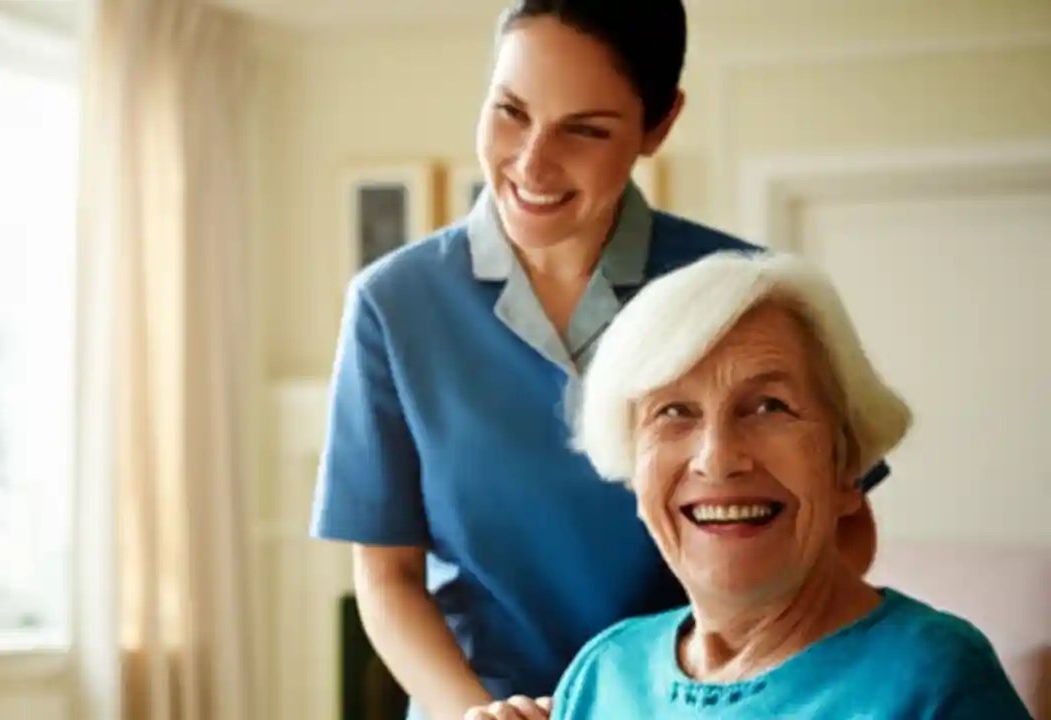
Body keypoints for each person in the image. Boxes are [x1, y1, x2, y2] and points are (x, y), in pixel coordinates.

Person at [309, 2, 890, 719]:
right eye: (511, 112)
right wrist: (478, 715)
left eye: (584, 129)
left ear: (660, 124)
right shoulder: (393, 305)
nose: (531, 162)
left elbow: (843, 528)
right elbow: (387, 579)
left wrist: (720, 674)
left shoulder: (742, 291)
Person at [476, 251, 1029, 719]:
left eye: (768, 407)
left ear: (846, 467)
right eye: (674, 411)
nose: (717, 459)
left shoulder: (934, 678)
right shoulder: (605, 672)